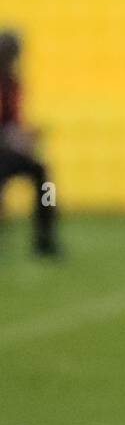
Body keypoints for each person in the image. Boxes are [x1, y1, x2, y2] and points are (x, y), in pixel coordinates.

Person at [0, 31, 60, 258]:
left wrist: (24, 135)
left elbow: (13, 122)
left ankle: (45, 235)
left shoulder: (13, 85)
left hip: (7, 153)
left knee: (43, 178)